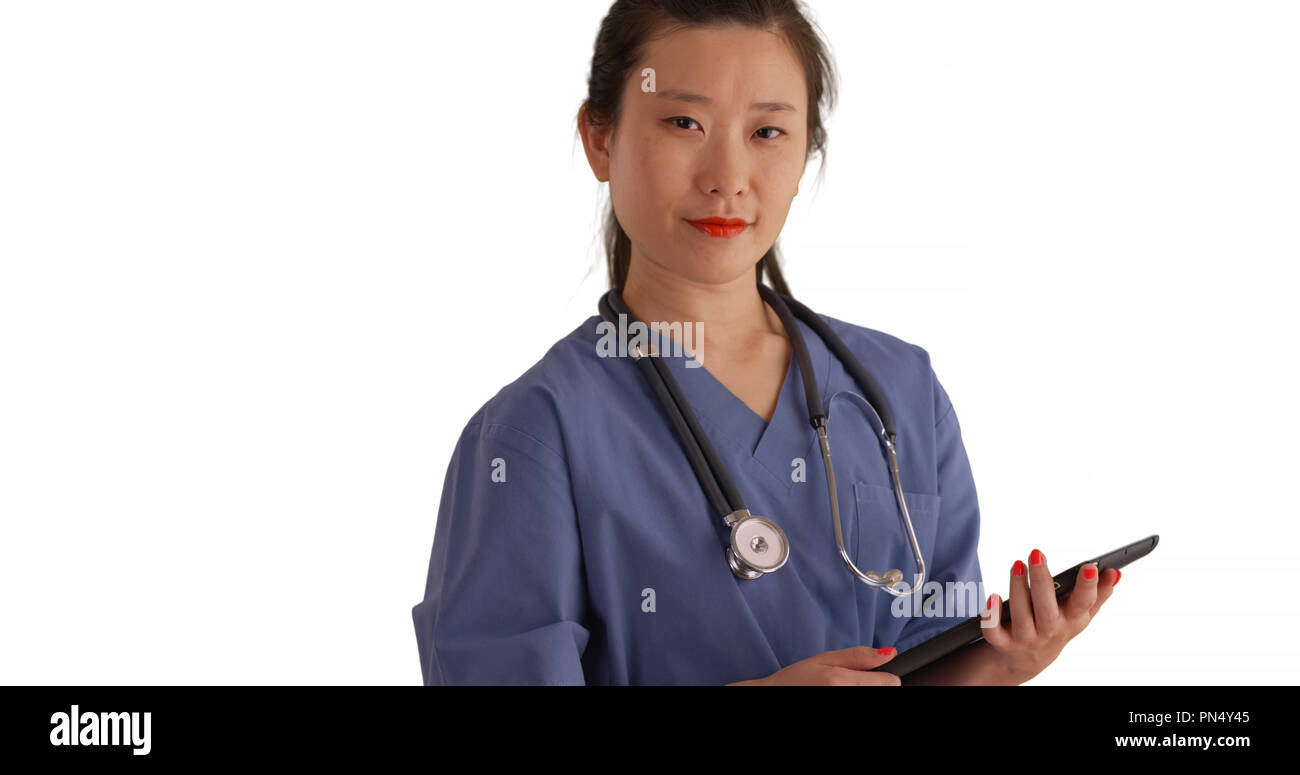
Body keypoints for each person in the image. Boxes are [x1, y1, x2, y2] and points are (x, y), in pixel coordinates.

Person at [411, 0, 1119, 686]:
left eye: (768, 132)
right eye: (684, 122)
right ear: (602, 138)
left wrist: (1002, 663)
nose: (727, 178)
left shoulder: (901, 391)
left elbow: (921, 657)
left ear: (807, 148)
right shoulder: (532, 435)